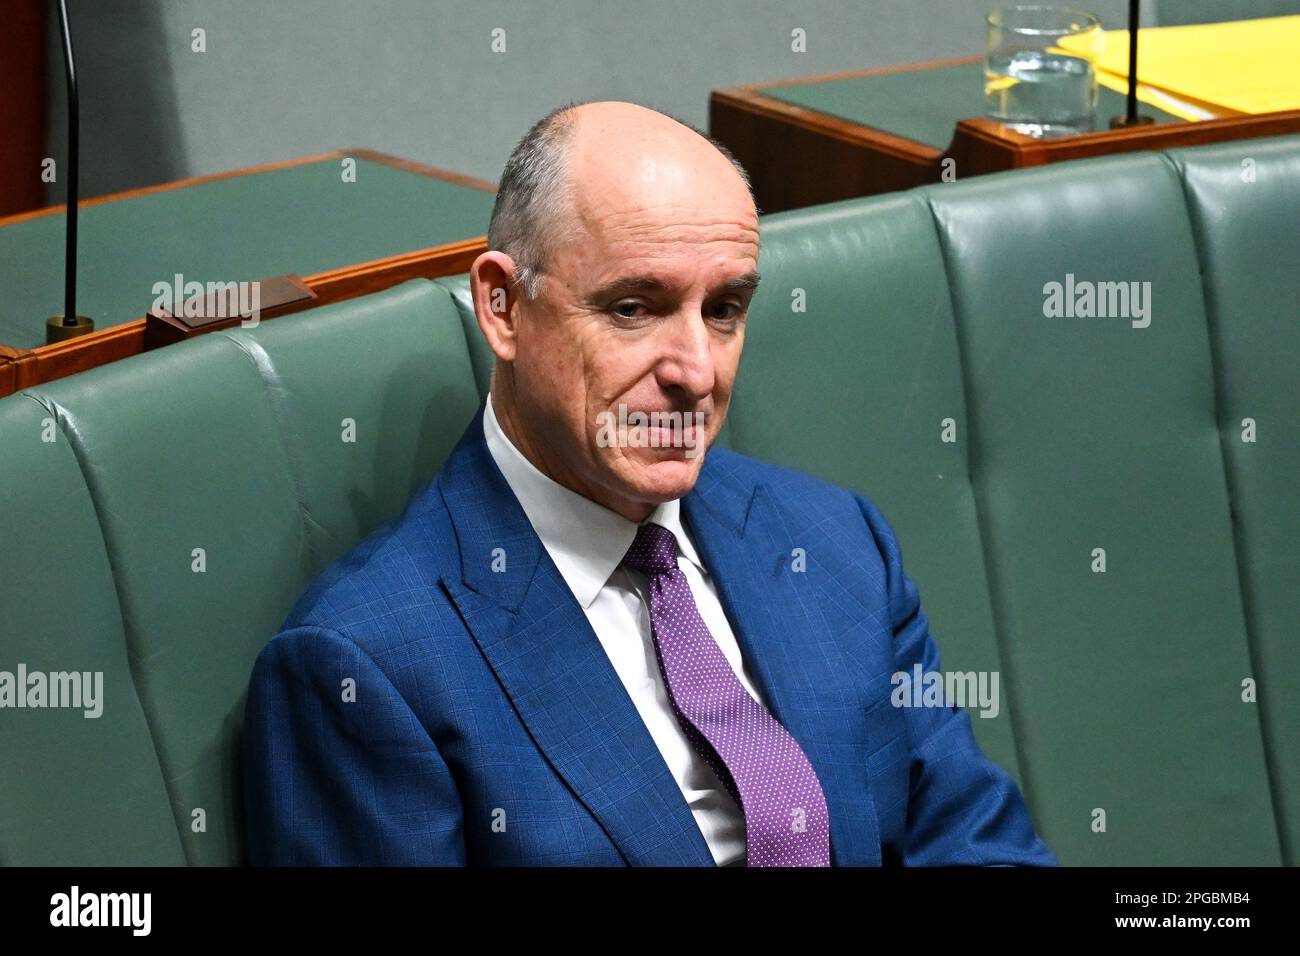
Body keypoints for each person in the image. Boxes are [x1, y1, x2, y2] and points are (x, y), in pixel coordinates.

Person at [242, 99, 1056, 867]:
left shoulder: (836, 541)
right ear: (502, 307)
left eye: (725, 309)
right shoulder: (365, 668)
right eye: (634, 308)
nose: (695, 371)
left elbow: (971, 840)